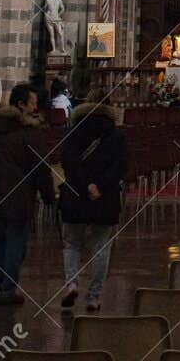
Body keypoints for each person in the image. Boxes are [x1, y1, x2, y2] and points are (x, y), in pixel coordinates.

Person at [0, 82, 54, 306]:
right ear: (21, 104)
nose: (35, 108)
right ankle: (7, 289)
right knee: (16, 244)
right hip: (19, 198)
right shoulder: (29, 132)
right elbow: (41, 167)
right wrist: (48, 195)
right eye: (33, 103)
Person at [58, 92, 130, 312]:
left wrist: (85, 184)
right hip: (104, 197)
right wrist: (100, 185)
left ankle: (72, 284)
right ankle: (93, 296)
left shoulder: (73, 131)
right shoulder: (116, 135)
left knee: (72, 244)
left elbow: (68, 162)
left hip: (76, 195)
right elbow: (121, 166)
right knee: (101, 246)